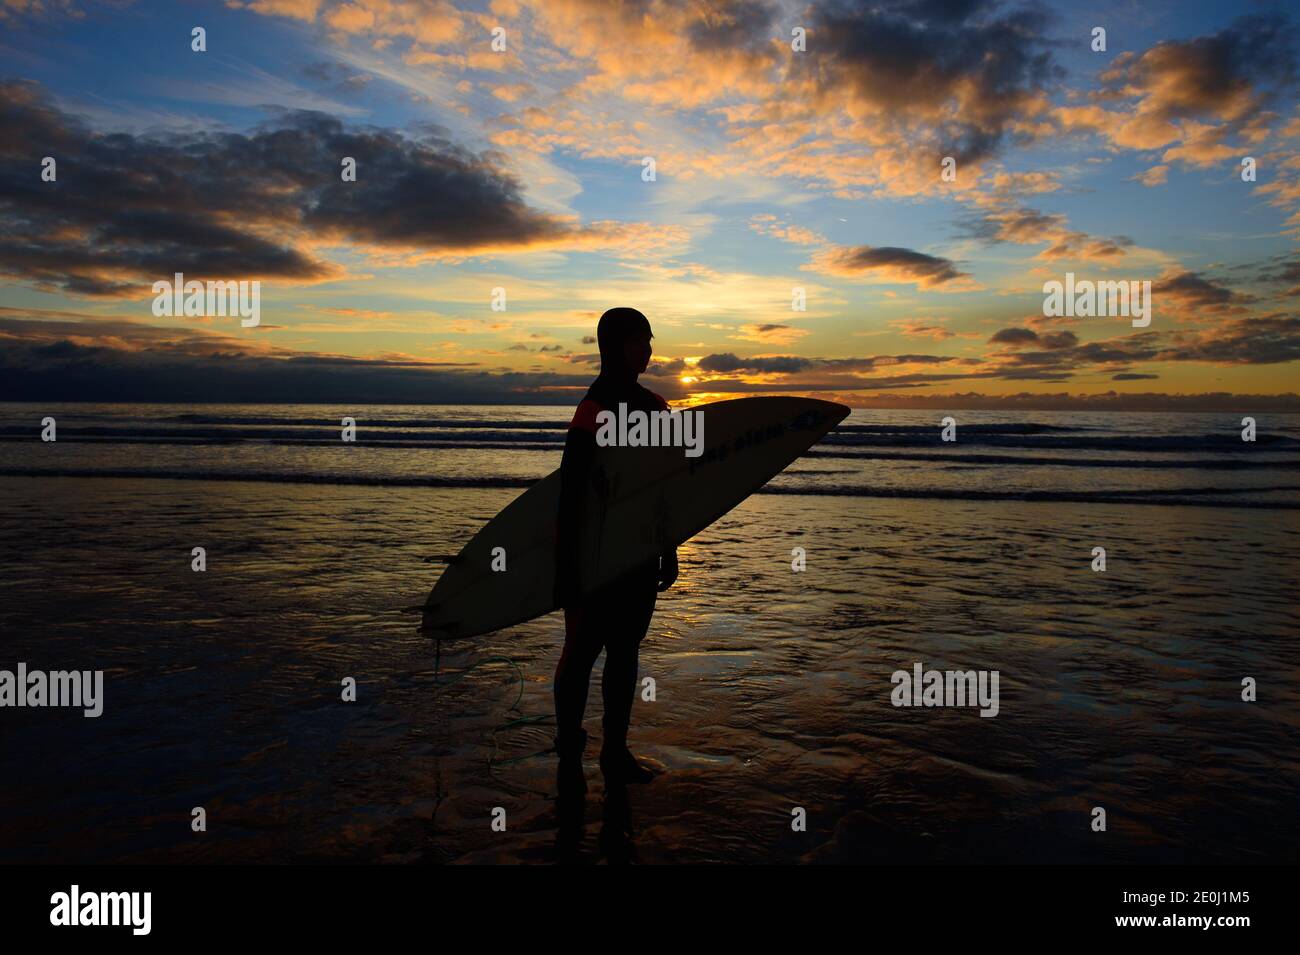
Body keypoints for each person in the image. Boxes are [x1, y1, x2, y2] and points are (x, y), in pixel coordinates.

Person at [553, 307, 678, 791]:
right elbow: (570, 493)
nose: (648, 350)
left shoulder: (656, 406)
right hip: (595, 554)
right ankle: (569, 751)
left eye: (649, 341)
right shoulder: (594, 409)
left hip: (638, 553)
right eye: (639, 341)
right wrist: (567, 566)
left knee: (625, 652)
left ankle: (614, 751)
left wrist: (668, 548)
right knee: (581, 652)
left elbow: (664, 485)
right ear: (615, 346)